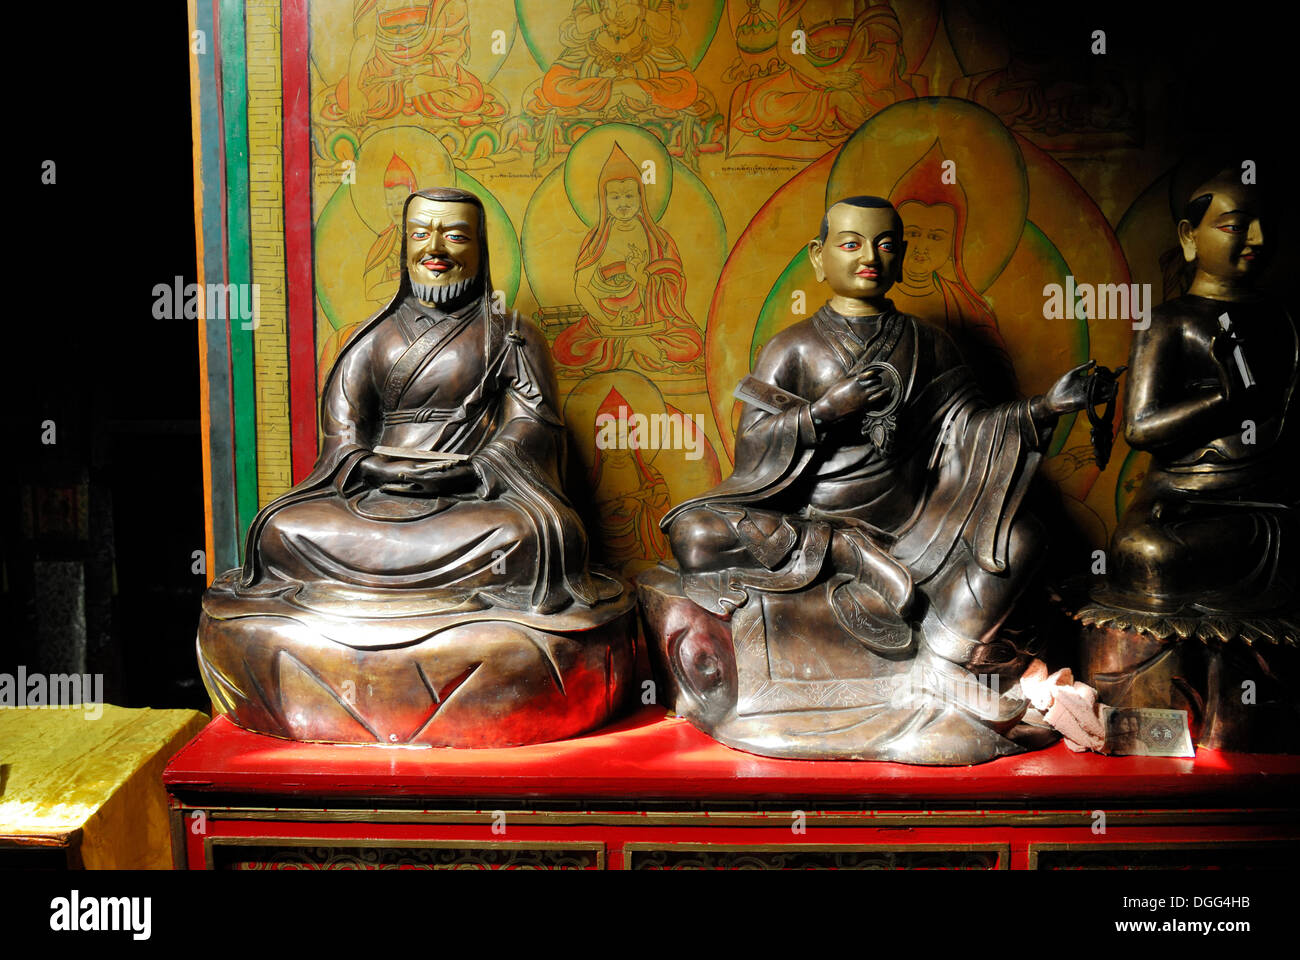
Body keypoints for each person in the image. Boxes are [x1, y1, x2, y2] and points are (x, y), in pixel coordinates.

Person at [643, 195, 1109, 762]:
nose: (870, 256)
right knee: (694, 534)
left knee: (1024, 537)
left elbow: (969, 430)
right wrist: (824, 412)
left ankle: (945, 659)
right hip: (810, 520)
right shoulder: (793, 347)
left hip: (913, 521)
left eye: (886, 244)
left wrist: (1044, 407)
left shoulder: (929, 344)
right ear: (818, 257)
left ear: (903, 256)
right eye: (851, 243)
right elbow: (753, 454)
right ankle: (845, 551)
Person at [198, 187, 635, 747]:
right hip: (370, 496)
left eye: (455, 235)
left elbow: (535, 424)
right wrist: (369, 465)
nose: (438, 249)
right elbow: (342, 431)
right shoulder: (373, 336)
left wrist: (476, 471)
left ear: (479, 247)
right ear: (403, 246)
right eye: (422, 233)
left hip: (471, 502)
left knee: (523, 536)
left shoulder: (510, 332)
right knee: (285, 530)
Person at [1102, 174, 1297, 618]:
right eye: (1237, 226)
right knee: (1148, 552)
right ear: (1190, 237)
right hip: (1182, 496)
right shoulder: (1169, 321)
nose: (1259, 239)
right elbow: (1139, 427)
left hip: (1269, 495)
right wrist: (1221, 403)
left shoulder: (1283, 319)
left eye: (1266, 225)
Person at [552, 143, 703, 373]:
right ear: (604, 201)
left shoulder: (659, 239)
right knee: (564, 348)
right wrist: (607, 319)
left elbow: (674, 286)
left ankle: (632, 344)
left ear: (641, 197)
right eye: (615, 197)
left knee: (692, 344)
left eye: (629, 195)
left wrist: (640, 278)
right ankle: (633, 344)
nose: (623, 203)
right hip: (607, 321)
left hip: (651, 321)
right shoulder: (596, 240)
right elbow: (582, 286)